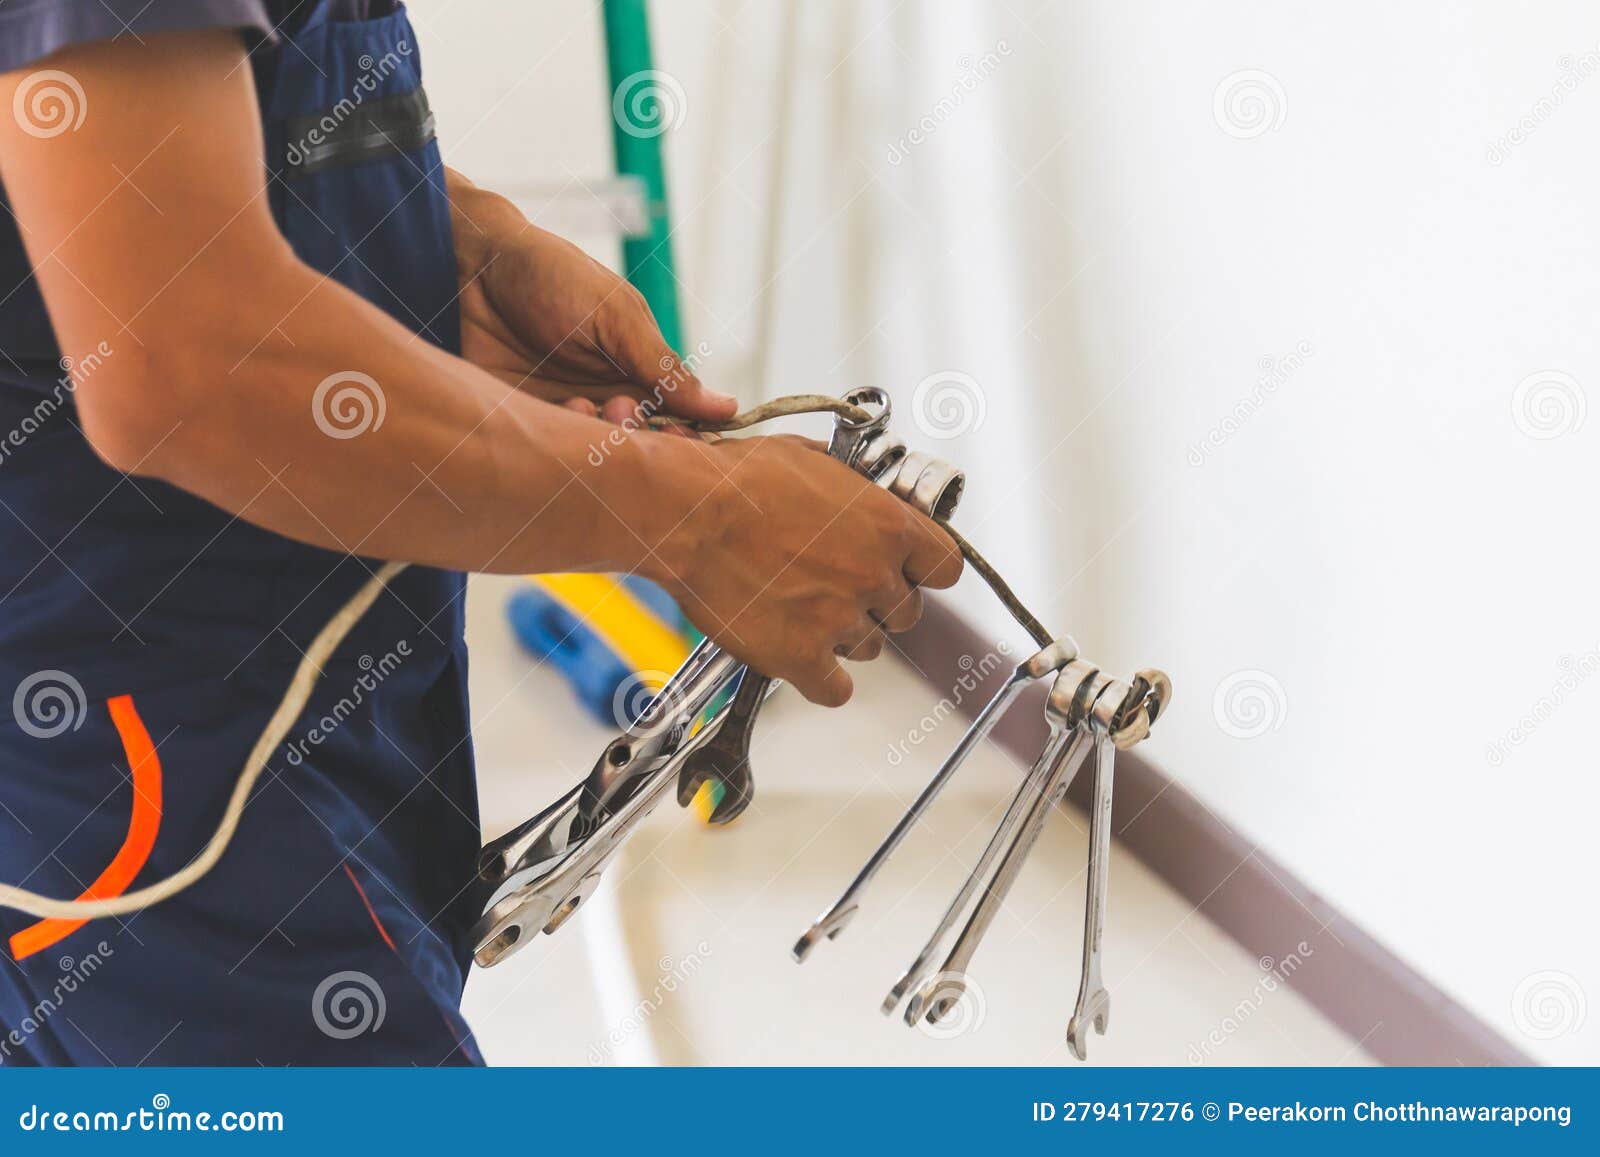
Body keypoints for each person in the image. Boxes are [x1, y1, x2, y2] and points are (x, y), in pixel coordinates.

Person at [0, 2, 959, 1066]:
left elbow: (126, 147)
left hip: (284, 696)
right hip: (165, 763)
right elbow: (183, 364)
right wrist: (701, 517)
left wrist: (437, 241)